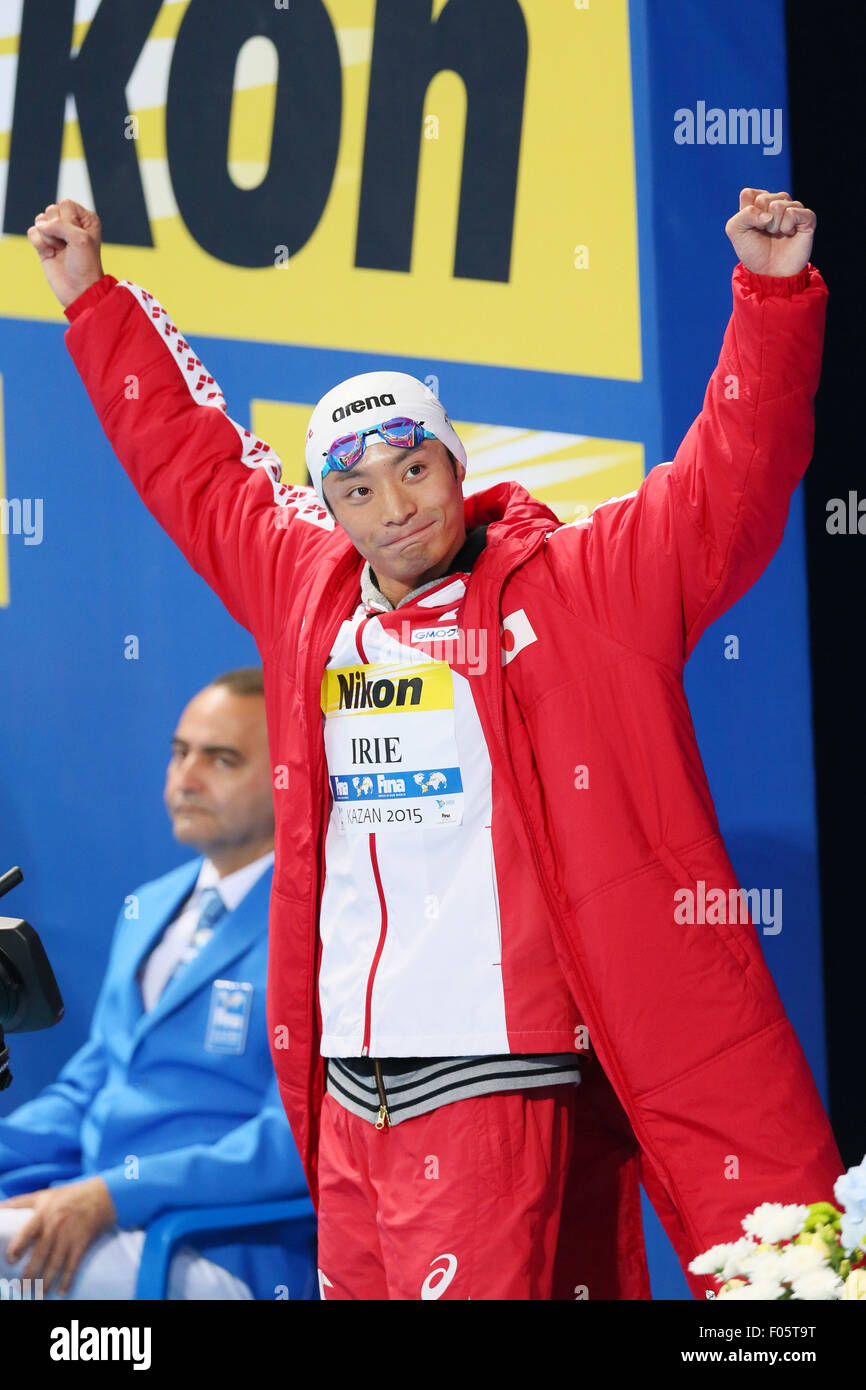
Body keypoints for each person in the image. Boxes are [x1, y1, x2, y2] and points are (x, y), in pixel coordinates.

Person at [25, 189, 843, 1300]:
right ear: (330, 506)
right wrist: (93, 301)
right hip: (345, 1094)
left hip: (488, 1074)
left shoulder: (582, 587)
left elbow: (730, 485)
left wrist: (771, 297)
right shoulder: (307, 594)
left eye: (414, 469)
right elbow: (197, 465)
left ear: (457, 463)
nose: (394, 508)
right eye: (356, 489)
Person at [0, 669, 316, 1300]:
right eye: (179, 753)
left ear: (291, 775)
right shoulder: (148, 906)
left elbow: (297, 1140)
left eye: (221, 759)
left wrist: (115, 1194)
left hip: (221, 1245)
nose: (186, 778)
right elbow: (93, 1086)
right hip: (95, 1214)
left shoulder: (322, 921)